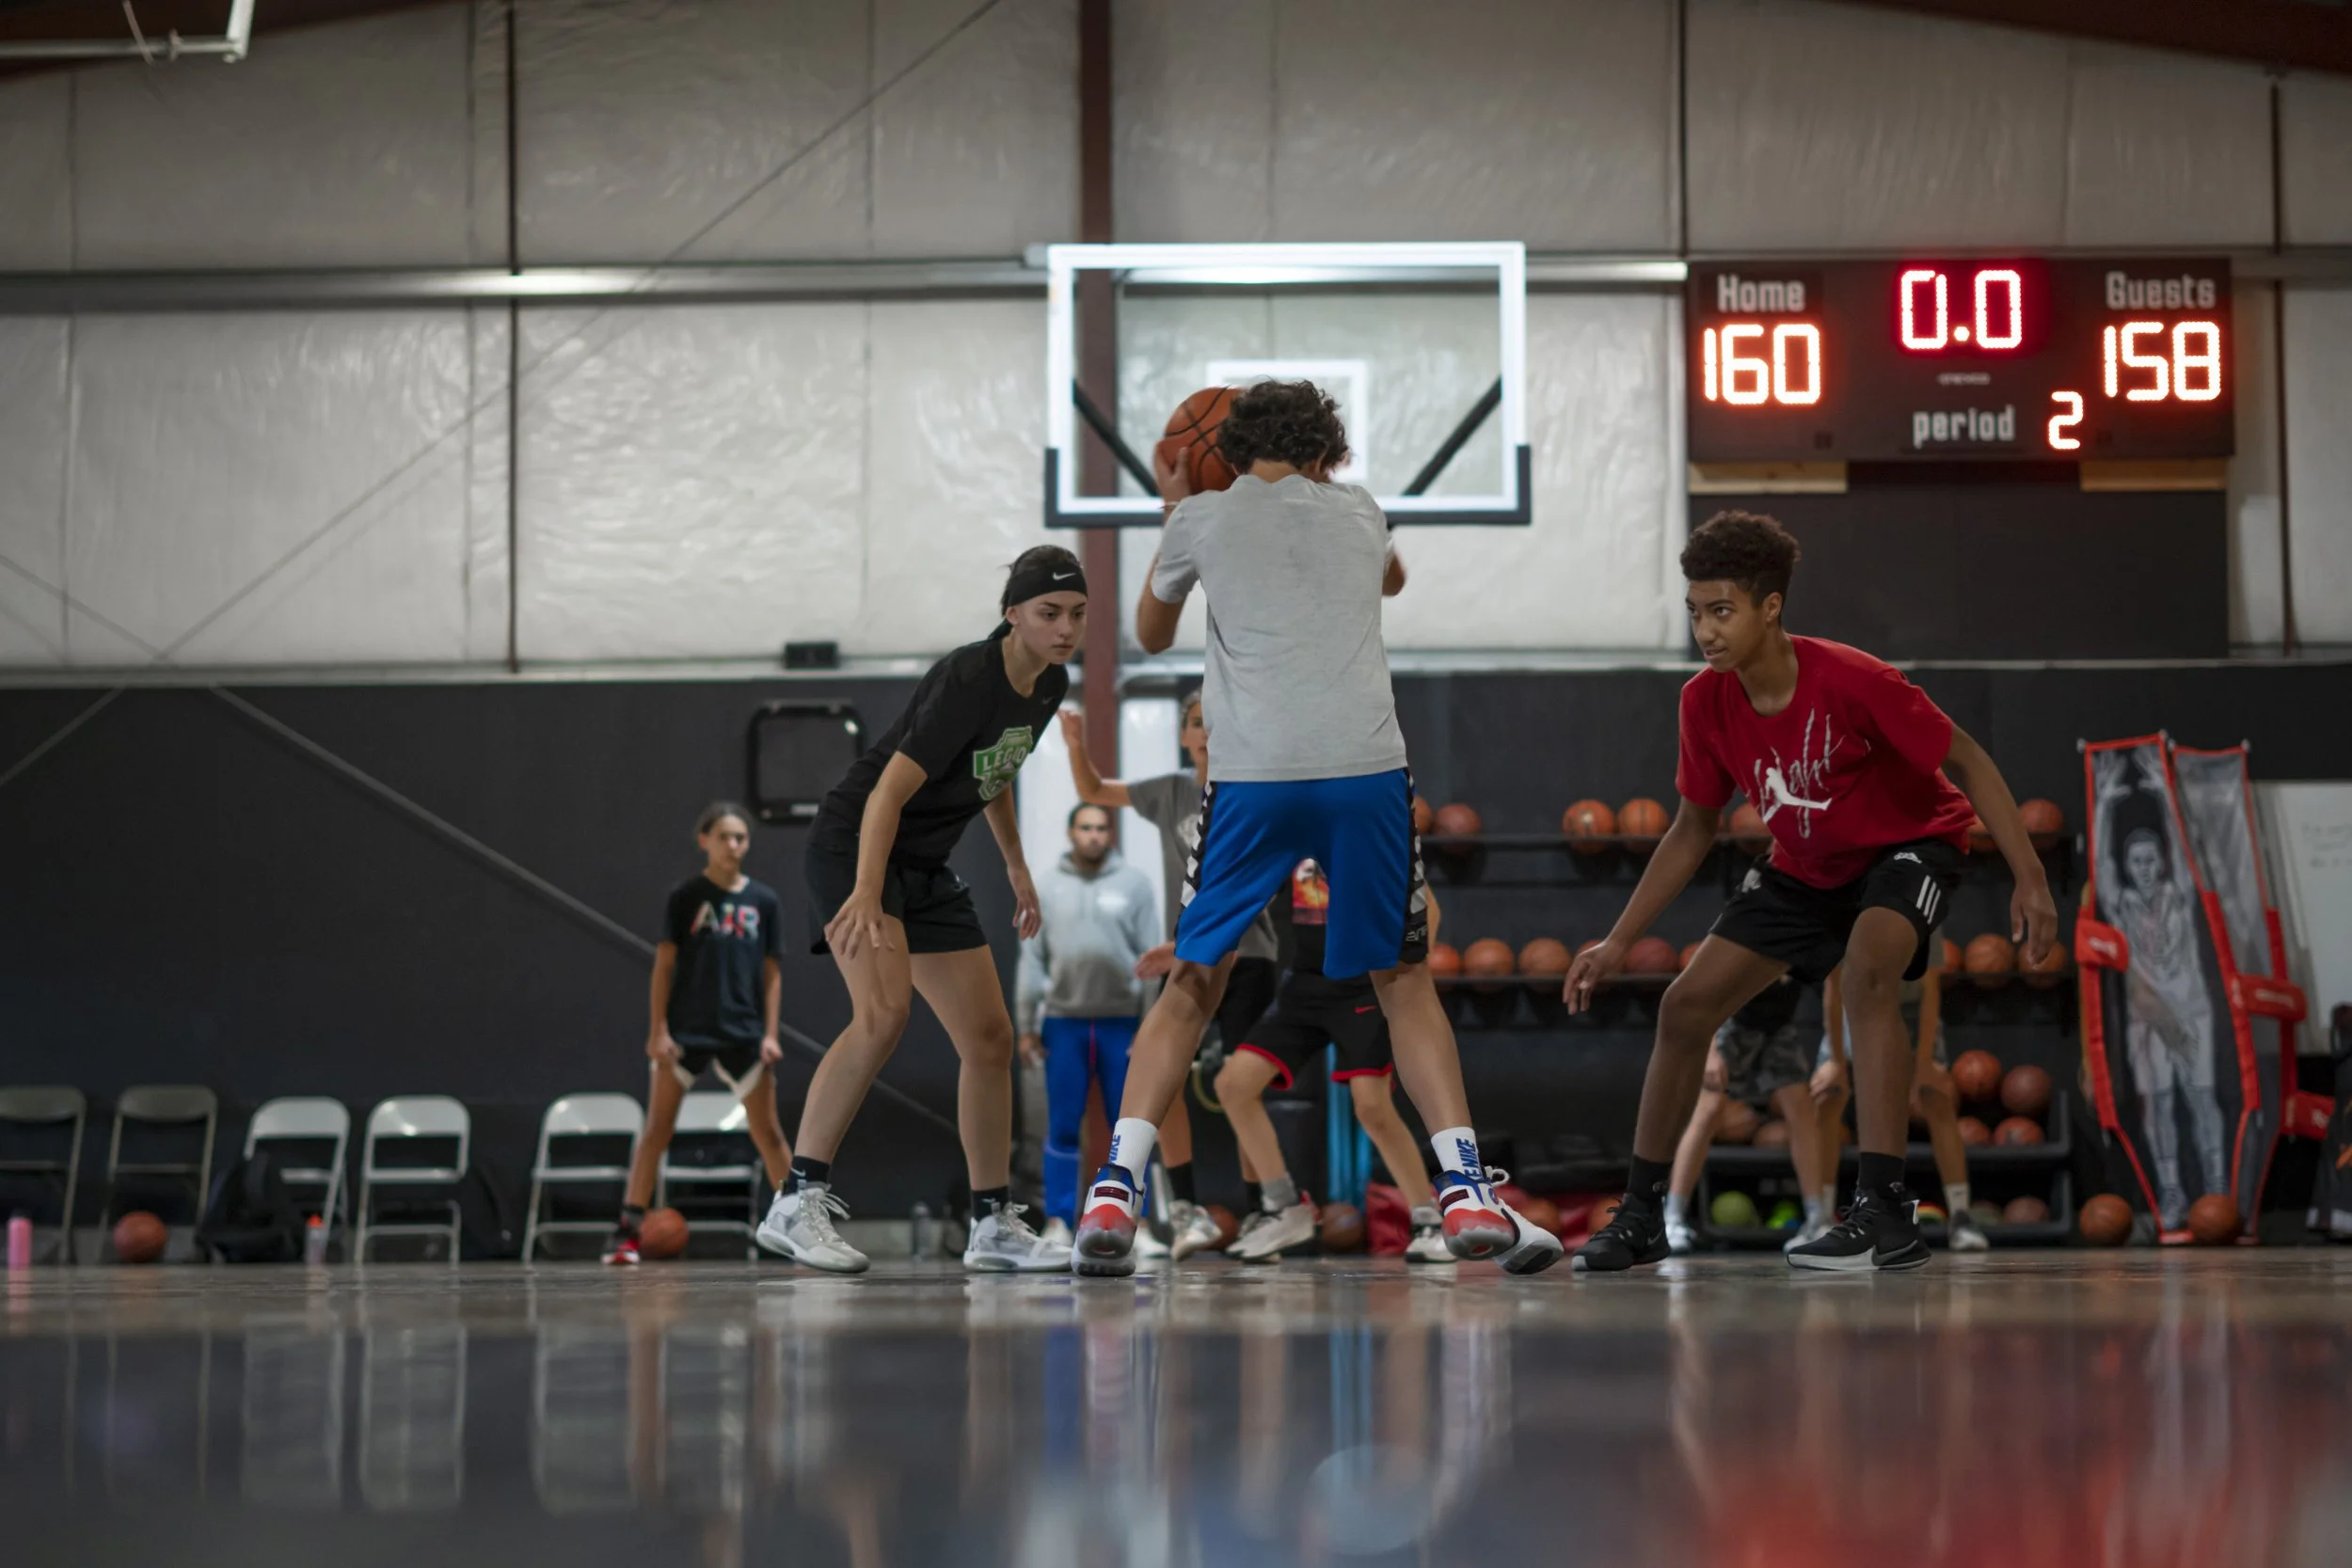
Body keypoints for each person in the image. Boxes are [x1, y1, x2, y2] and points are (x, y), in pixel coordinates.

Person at [1070, 378, 1558, 1278]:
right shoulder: (1360, 509)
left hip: (1252, 774)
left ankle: (1115, 1186)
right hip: (1363, 770)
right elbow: (1394, 578)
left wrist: (1178, 508)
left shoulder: (1199, 517)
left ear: (1224, 452)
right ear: (1327, 451)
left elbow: (1151, 629)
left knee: (1193, 980)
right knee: (1405, 979)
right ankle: (1462, 1187)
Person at [1565, 510, 2056, 1273]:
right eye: (1695, 611)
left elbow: (1967, 758)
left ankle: (1884, 1211)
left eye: (1722, 610)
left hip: (1910, 847)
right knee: (1684, 1007)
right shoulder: (1703, 701)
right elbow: (1692, 828)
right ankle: (1642, 1216)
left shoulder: (1856, 679)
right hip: (1807, 866)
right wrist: (1619, 938)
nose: (1705, 630)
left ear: (1770, 607)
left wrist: (2031, 876)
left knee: (1867, 971)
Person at [756, 546, 1087, 1275]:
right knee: (883, 1012)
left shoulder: (1049, 683)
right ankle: (794, 1200)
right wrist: (866, 889)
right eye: (1049, 613)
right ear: (1013, 614)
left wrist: (1016, 864)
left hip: (923, 863)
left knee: (991, 1038)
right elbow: (885, 793)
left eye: (1077, 614)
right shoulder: (969, 677)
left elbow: (994, 769)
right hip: (856, 844)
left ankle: (992, 1224)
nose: (1065, 628)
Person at [1059, 692, 1280, 1259]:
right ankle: (1183, 1209)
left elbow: (1264, 881)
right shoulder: (1171, 792)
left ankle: (1262, 1212)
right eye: (1197, 723)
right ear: (1184, 736)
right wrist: (1075, 746)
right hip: (1183, 958)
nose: (1206, 731)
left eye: (1215, 721)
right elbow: (1093, 790)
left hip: (1249, 954)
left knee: (1241, 1085)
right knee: (1158, 1073)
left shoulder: (1255, 790)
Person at [1216, 860, 1454, 1262]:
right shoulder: (1290, 844)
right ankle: (1285, 1207)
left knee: (1372, 1107)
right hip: (1305, 984)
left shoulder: (1366, 836)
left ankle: (1428, 1219)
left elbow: (1427, 903)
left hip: (1365, 985)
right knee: (1233, 1085)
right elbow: (1247, 899)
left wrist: (1415, 967)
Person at [605, 802, 793, 1265]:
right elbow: (663, 967)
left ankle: (799, 1226)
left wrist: (770, 1034)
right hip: (686, 1032)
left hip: (743, 1030)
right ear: (704, 841)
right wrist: (658, 1031)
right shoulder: (686, 896)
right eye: (724, 836)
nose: (734, 845)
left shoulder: (764, 901)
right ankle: (628, 1233)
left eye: (741, 837)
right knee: (656, 1131)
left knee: (769, 1134)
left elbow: (772, 974)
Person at [1014, 803, 1160, 1244]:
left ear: (1110, 834)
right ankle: (1059, 1222)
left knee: (1131, 1128)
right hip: (1064, 1024)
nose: (1094, 835)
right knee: (1062, 1125)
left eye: (1101, 828)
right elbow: (1032, 959)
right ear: (1071, 832)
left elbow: (1153, 957)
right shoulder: (1046, 886)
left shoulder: (1134, 885)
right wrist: (1026, 1025)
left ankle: (1139, 1225)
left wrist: (1151, 1027)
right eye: (1085, 827)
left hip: (1122, 1024)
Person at [1815, 941, 1991, 1251]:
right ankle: (1819, 1218)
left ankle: (1961, 1217)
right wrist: (1837, 1063)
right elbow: (1833, 989)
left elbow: (1930, 991)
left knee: (1935, 1093)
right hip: (1858, 1007)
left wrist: (1923, 1064)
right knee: (1829, 1094)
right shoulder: (1843, 914)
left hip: (1910, 1010)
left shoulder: (1923, 914)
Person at [1660, 977, 1828, 1255]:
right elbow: (1709, 990)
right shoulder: (1747, 951)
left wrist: (1833, 1058)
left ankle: (1817, 1220)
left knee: (1802, 1112)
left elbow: (1833, 992)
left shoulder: (1812, 954)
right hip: (1733, 1024)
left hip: (1778, 1028)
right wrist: (1710, 1051)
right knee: (1709, 1111)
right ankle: (1672, 1219)